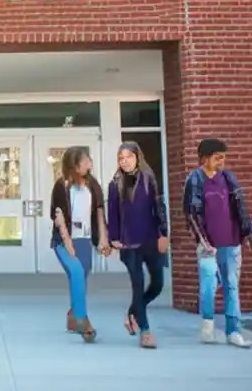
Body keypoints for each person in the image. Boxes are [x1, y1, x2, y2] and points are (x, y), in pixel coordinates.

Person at [184, 138, 252, 348]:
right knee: (208, 285)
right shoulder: (196, 179)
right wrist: (202, 241)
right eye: (218, 158)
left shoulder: (229, 178)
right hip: (208, 245)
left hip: (232, 243)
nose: (222, 162)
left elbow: (240, 207)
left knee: (231, 286)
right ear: (205, 159)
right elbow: (190, 213)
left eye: (224, 157)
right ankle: (207, 327)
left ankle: (233, 332)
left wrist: (248, 232)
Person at [107, 141, 168, 349]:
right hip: (128, 244)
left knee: (158, 284)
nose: (124, 161)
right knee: (138, 285)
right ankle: (145, 331)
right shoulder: (115, 184)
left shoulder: (149, 180)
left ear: (137, 157)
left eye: (128, 157)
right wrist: (113, 238)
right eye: (121, 158)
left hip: (151, 240)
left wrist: (163, 234)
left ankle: (133, 312)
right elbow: (112, 214)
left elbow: (159, 207)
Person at [49, 146, 109, 343]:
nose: (89, 164)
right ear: (75, 165)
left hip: (84, 237)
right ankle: (83, 321)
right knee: (76, 272)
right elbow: (58, 215)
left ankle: (72, 316)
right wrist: (67, 242)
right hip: (64, 240)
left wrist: (103, 239)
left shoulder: (93, 184)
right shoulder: (62, 185)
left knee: (81, 277)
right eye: (86, 161)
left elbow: (99, 212)